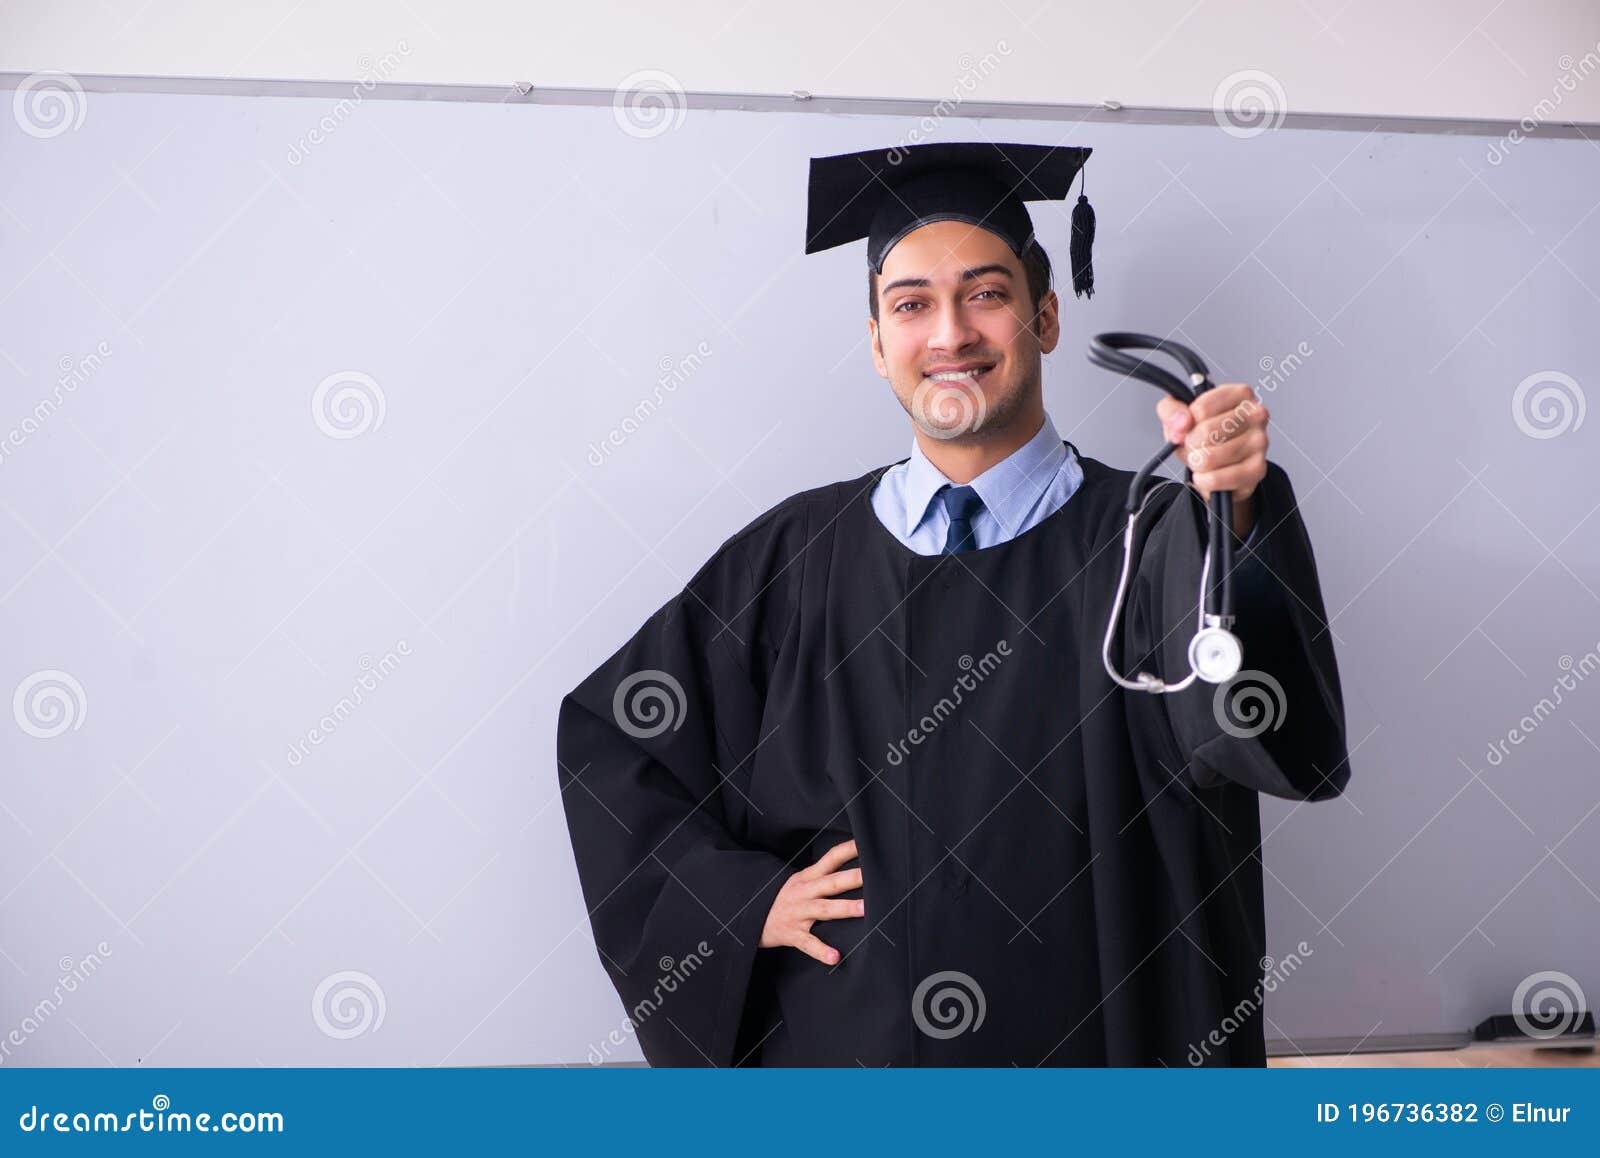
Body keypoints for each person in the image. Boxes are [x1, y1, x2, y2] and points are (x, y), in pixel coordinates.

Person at [556, 141, 1350, 1066]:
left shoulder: (1153, 540)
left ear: (1045, 317)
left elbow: (1262, 731)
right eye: (911, 305)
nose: (950, 335)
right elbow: (615, 744)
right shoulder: (793, 558)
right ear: (877, 343)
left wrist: (1234, 510)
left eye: (986, 294)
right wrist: (737, 905)